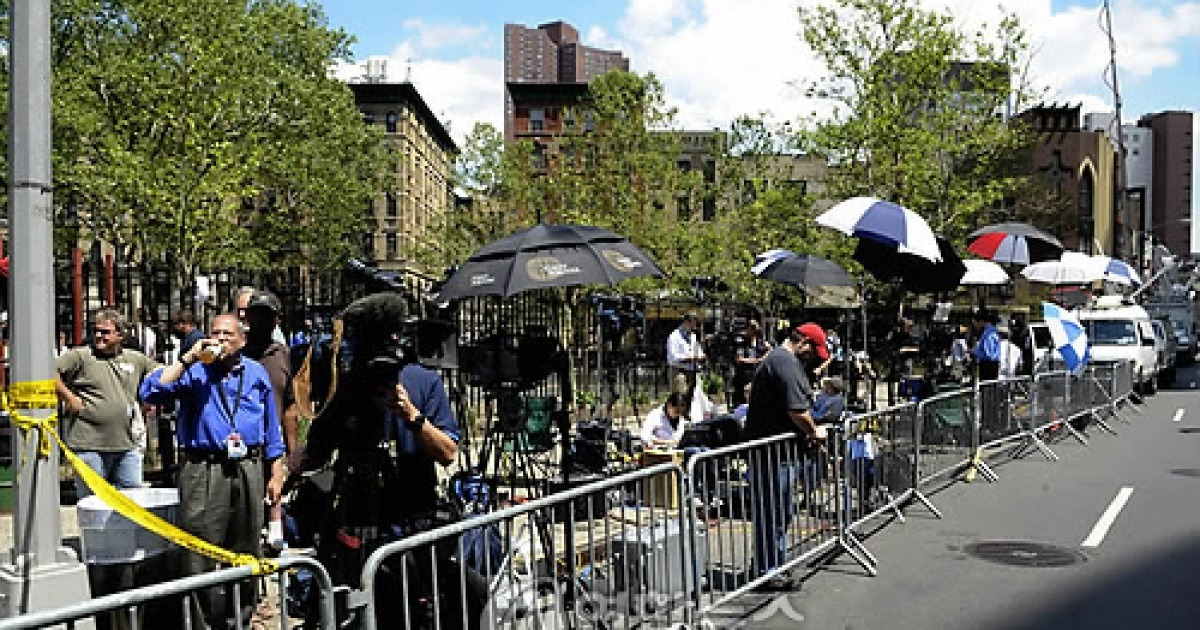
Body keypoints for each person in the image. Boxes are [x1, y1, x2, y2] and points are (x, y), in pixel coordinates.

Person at [140, 313, 285, 630]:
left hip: (248, 467)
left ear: (242, 340)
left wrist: (276, 473)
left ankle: (241, 618)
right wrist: (189, 358)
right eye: (215, 333)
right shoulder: (195, 372)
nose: (220, 339)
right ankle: (204, 623)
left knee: (246, 547)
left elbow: (271, 427)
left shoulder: (256, 373)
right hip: (204, 469)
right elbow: (151, 392)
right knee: (199, 552)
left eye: (227, 334)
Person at [744, 322, 829, 590]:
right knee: (773, 513)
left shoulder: (782, 362)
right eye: (812, 350)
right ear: (802, 341)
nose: (812, 357)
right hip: (772, 456)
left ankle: (769, 565)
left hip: (777, 454)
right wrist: (815, 432)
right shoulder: (784, 362)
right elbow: (797, 410)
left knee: (777, 513)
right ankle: (769, 571)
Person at [55, 309, 158, 498]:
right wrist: (69, 397)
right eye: (96, 331)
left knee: (134, 501)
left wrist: (149, 398)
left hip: (127, 446)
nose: (99, 336)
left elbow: (161, 375)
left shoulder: (135, 359)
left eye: (105, 332)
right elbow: (48, 372)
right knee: (93, 503)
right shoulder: (81, 356)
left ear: (120, 335)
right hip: (89, 446)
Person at [666, 312, 706, 399]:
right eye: (693, 323)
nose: (694, 326)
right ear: (686, 322)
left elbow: (698, 350)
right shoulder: (674, 336)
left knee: (692, 398)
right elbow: (673, 357)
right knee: (680, 397)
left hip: (692, 371)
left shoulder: (693, 336)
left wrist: (701, 356)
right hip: (679, 371)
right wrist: (690, 358)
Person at [732, 320, 770, 406]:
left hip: (757, 374)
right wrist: (757, 360)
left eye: (754, 329)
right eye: (751, 328)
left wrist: (764, 357)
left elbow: (770, 350)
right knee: (743, 399)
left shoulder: (761, 342)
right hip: (744, 375)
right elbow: (739, 359)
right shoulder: (741, 342)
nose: (753, 331)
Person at [972, 311, 1002, 381]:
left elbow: (988, 354)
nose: (975, 326)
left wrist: (974, 352)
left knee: (986, 388)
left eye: (975, 323)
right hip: (993, 365)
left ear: (981, 322)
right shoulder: (992, 331)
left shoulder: (988, 334)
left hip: (988, 366)